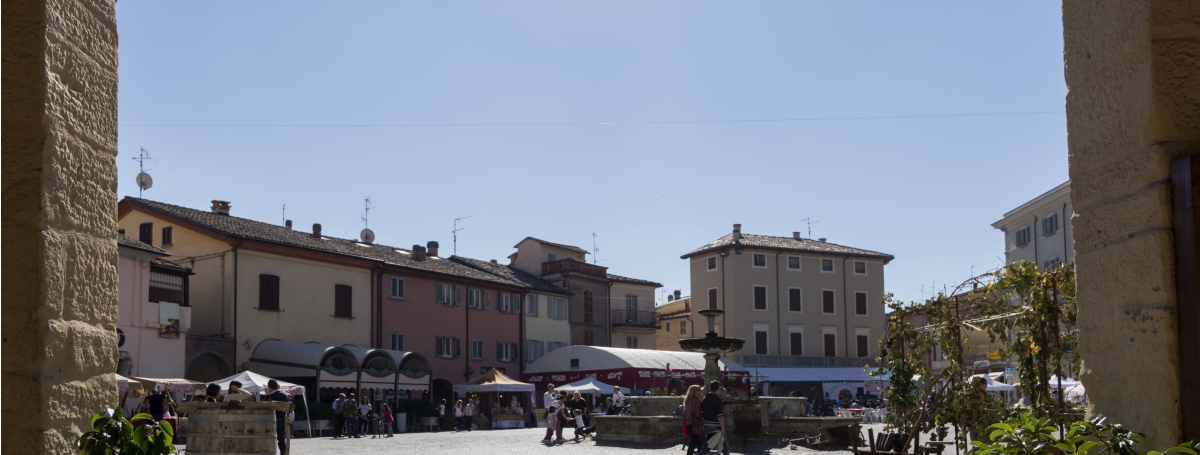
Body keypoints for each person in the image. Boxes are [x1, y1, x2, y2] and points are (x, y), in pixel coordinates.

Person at [700, 380, 729, 455]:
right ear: (718, 388)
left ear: (710, 388)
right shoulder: (717, 399)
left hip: (707, 424)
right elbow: (719, 415)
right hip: (716, 425)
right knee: (724, 444)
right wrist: (723, 427)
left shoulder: (705, 398)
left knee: (706, 444)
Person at [264, 380, 290, 455]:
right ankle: (283, 452)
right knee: (281, 436)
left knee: (269, 436)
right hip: (282, 418)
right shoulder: (284, 395)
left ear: (269, 387)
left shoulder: (269, 397)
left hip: (271, 419)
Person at [682, 385, 705, 455]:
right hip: (695, 425)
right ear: (696, 392)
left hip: (688, 424)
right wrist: (704, 415)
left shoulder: (687, 401)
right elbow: (697, 414)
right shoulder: (697, 401)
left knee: (700, 444)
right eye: (700, 390)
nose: (701, 391)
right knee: (692, 446)